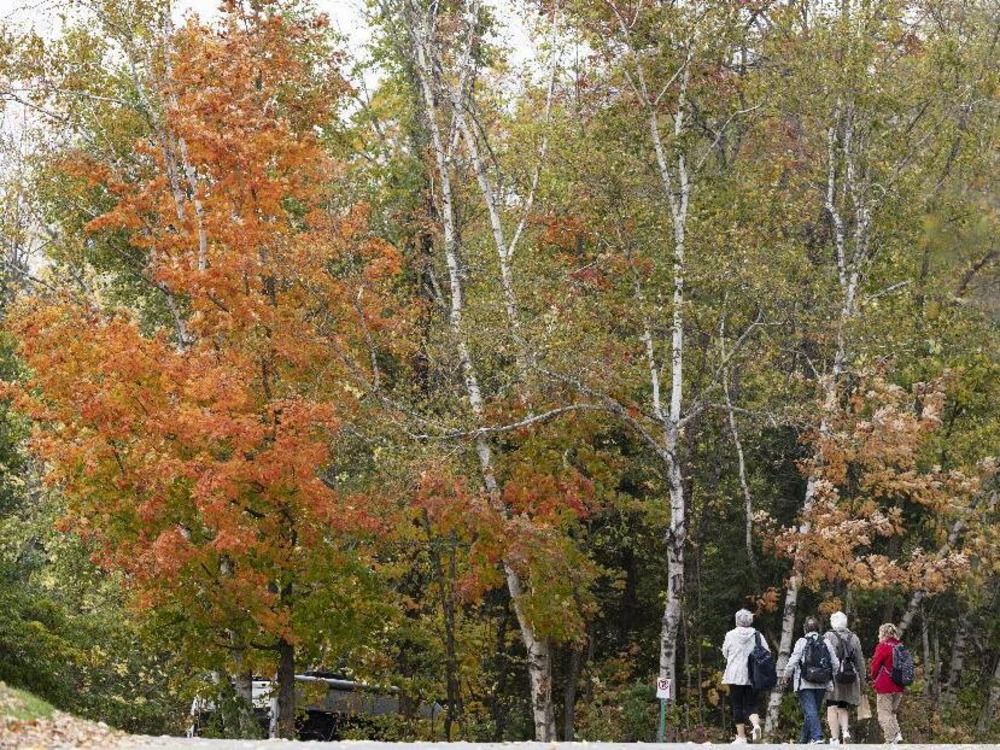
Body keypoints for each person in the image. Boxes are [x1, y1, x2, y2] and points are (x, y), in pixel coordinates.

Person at [783, 616, 840, 744]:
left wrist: (786, 675)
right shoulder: (826, 642)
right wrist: (831, 675)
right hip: (822, 682)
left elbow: (793, 660)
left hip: (805, 682)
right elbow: (835, 662)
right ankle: (804, 740)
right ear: (818, 628)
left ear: (805, 629)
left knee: (810, 711)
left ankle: (817, 737)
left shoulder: (802, 641)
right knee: (812, 711)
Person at [721, 608, 766, 744]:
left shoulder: (730, 635)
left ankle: (741, 737)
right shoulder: (757, 635)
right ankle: (756, 725)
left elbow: (725, 652)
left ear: (737, 620)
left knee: (737, 705)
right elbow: (766, 651)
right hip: (753, 674)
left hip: (735, 674)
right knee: (751, 704)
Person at [824, 611, 865, 745]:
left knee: (831, 706)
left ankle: (835, 739)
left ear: (833, 623)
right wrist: (862, 681)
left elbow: (824, 658)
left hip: (834, 677)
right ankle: (845, 732)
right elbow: (860, 661)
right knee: (843, 706)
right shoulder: (854, 638)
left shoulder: (828, 636)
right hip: (850, 677)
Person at [870, 622, 905, 744]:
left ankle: (891, 739)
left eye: (879, 634)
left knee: (884, 714)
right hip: (899, 686)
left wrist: (873, 677)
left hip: (885, 685)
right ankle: (898, 735)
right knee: (892, 712)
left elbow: (875, 665)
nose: (878, 636)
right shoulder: (901, 647)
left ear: (883, 634)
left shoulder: (883, 646)